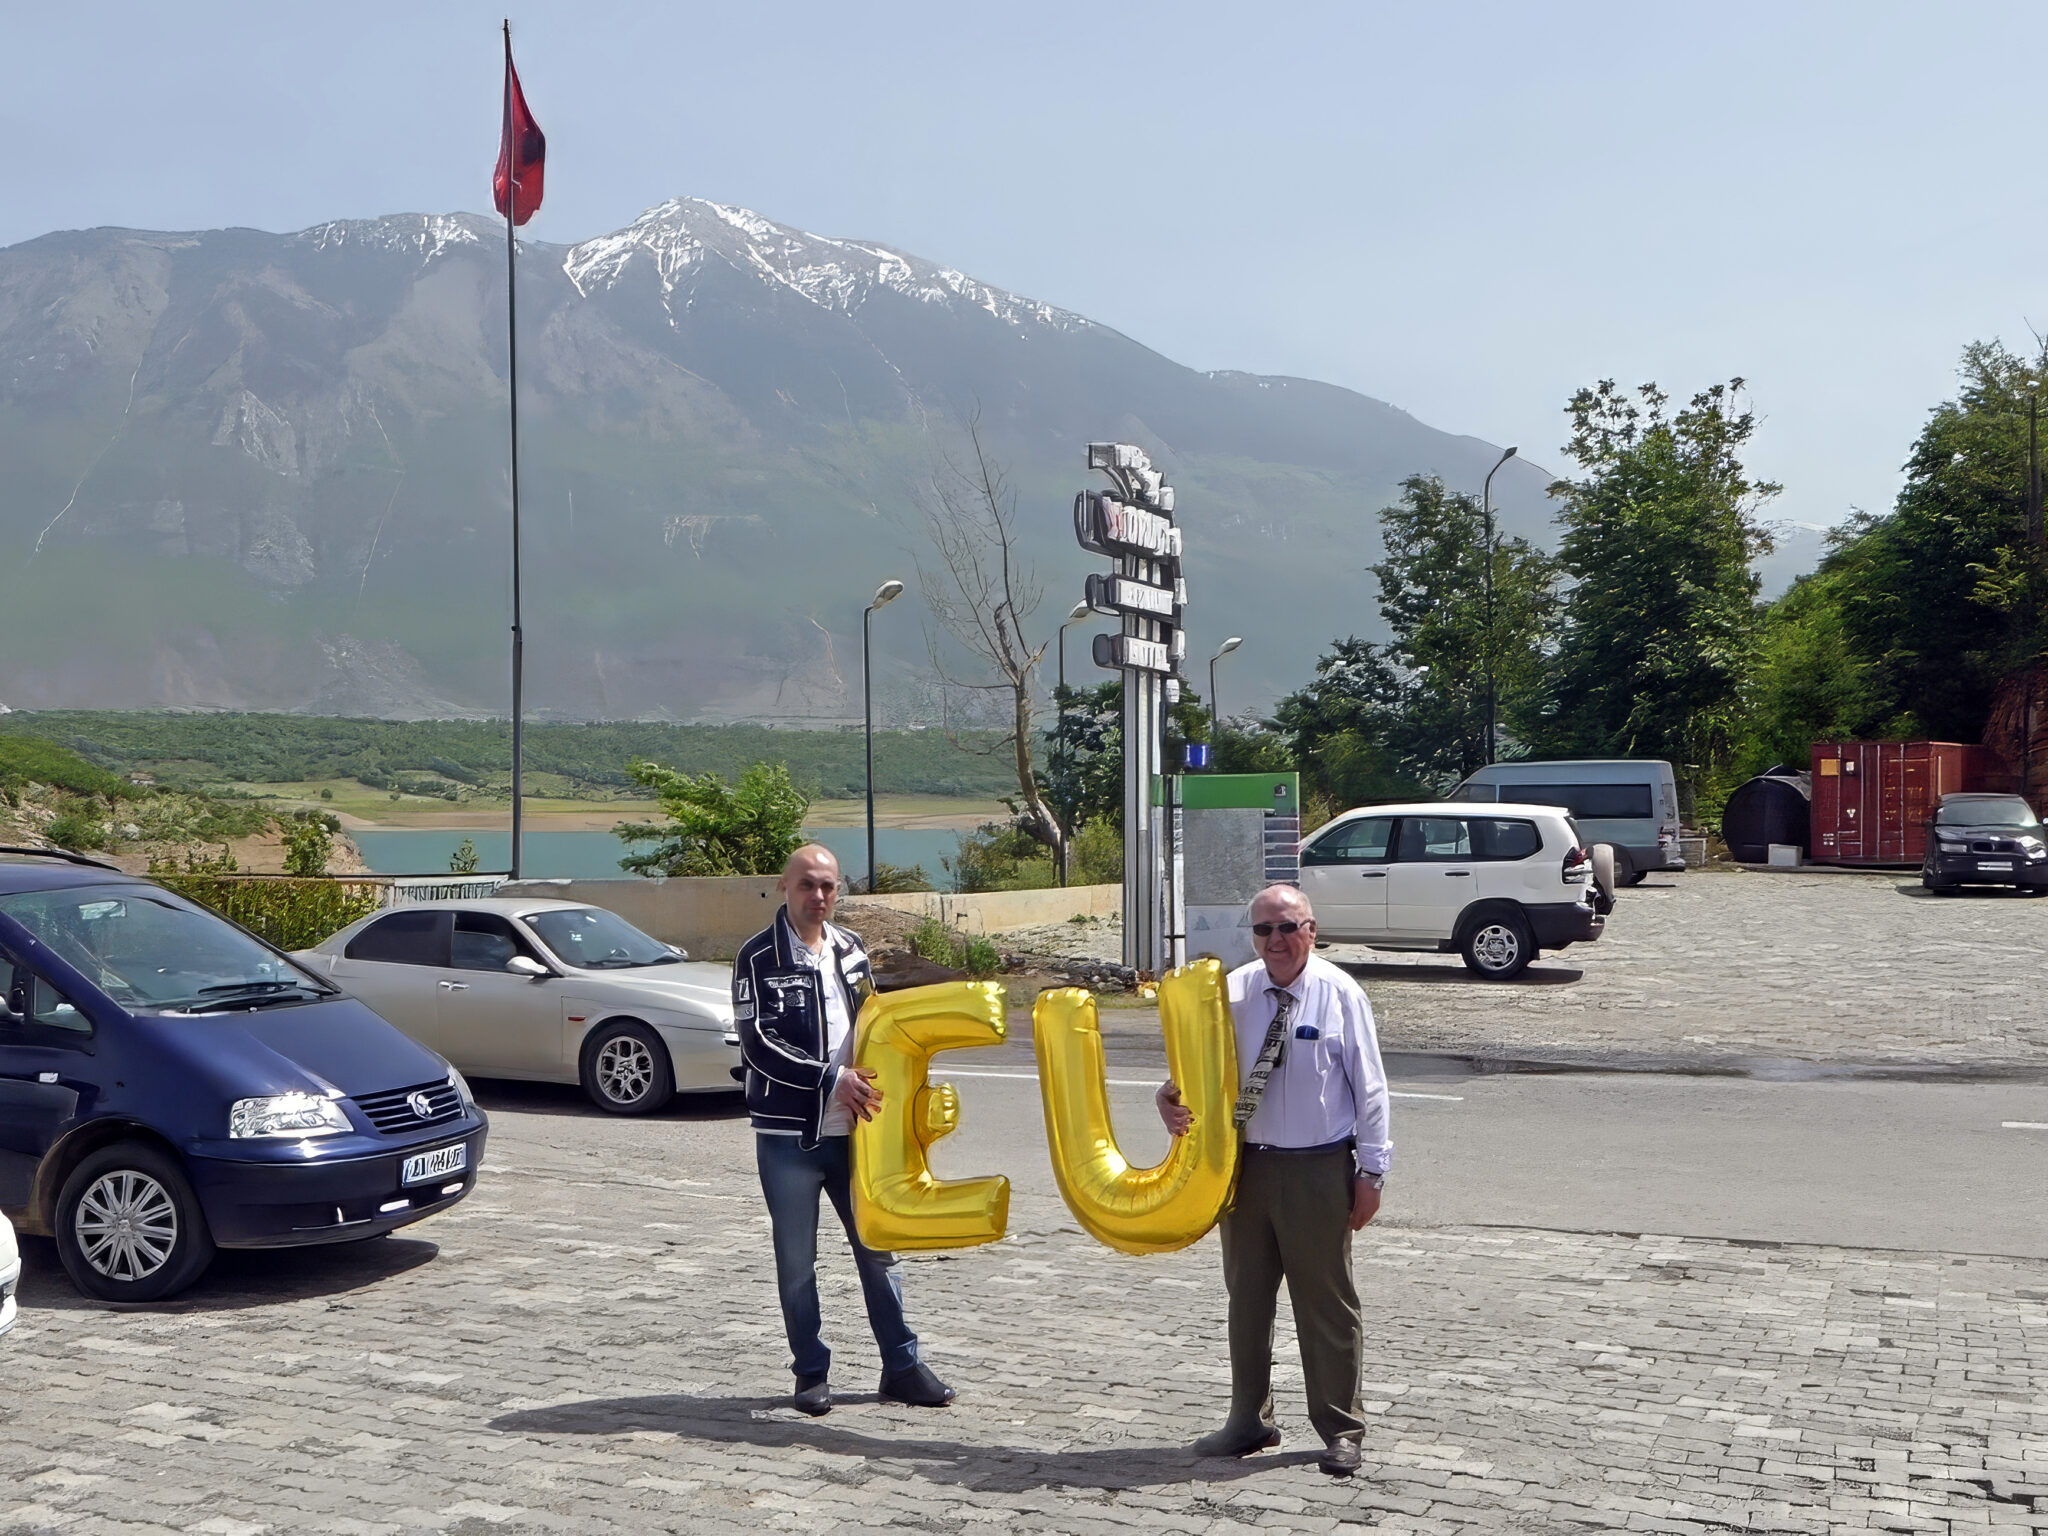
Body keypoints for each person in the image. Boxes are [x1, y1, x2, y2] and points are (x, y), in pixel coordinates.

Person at [1155, 883, 1392, 1478]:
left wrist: (1372, 1171)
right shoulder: (1230, 993)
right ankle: (1248, 1420)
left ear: (1312, 929)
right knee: (1247, 1299)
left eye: (1288, 927)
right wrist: (1169, 1099)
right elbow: (1194, 1072)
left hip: (1318, 1168)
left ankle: (1341, 1428)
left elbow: (1371, 1089)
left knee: (1326, 1304)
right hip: (1246, 1169)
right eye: (1263, 929)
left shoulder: (1340, 994)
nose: (1276, 940)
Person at [732, 843, 955, 1417]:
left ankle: (902, 1367)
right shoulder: (757, 957)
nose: (819, 895)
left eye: (828, 885)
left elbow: (878, 1026)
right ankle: (810, 1373)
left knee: (879, 1250)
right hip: (789, 1136)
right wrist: (832, 1079)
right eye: (807, 884)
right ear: (784, 886)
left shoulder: (851, 948)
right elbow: (758, 1046)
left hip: (859, 1133)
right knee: (796, 1263)